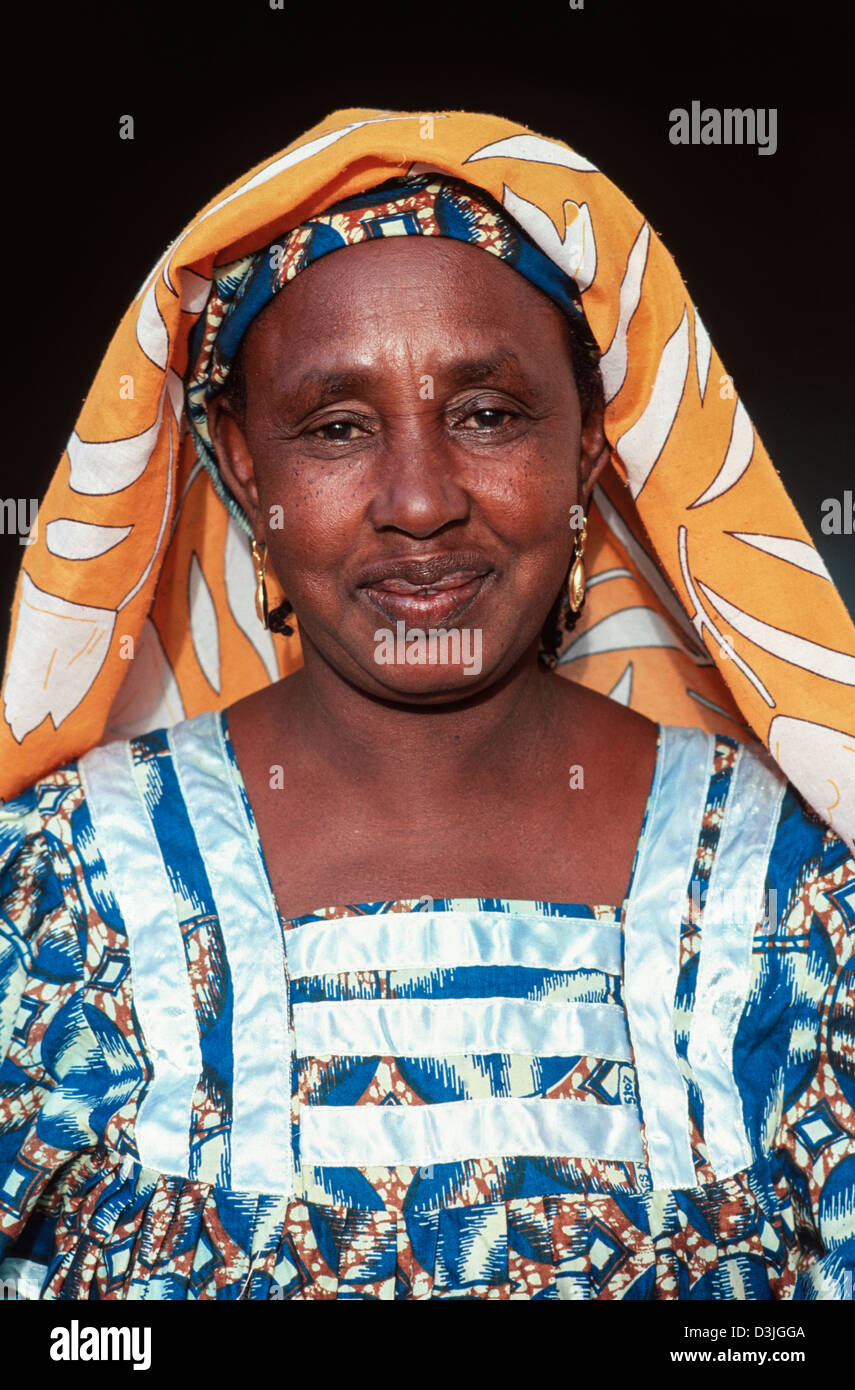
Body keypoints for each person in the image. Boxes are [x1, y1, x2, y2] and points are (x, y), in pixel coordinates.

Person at [0, 108, 852, 1301]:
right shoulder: (55, 898)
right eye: (337, 426)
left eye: (487, 414)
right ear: (244, 465)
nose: (419, 499)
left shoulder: (799, 904)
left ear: (593, 447)